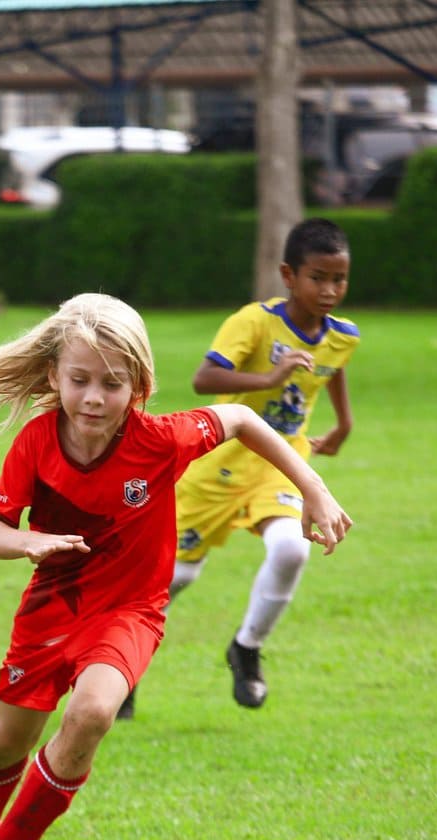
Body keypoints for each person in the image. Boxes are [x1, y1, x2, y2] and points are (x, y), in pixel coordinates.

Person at [0, 293, 351, 840]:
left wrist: (313, 487)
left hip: (130, 611)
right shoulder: (38, 443)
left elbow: (245, 422)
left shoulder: (162, 439)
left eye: (112, 384)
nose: (94, 397)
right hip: (52, 608)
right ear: (54, 378)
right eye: (80, 380)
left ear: (140, 386)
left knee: (92, 713)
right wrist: (28, 541)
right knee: (5, 743)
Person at [152, 217, 361, 715]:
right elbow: (205, 380)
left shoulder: (344, 336)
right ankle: (126, 663)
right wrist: (271, 374)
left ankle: (246, 649)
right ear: (289, 275)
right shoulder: (254, 321)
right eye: (318, 277)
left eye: (340, 279)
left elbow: (332, 369)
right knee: (175, 577)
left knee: (292, 550)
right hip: (218, 461)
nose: (330, 290)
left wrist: (344, 423)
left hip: (282, 463)